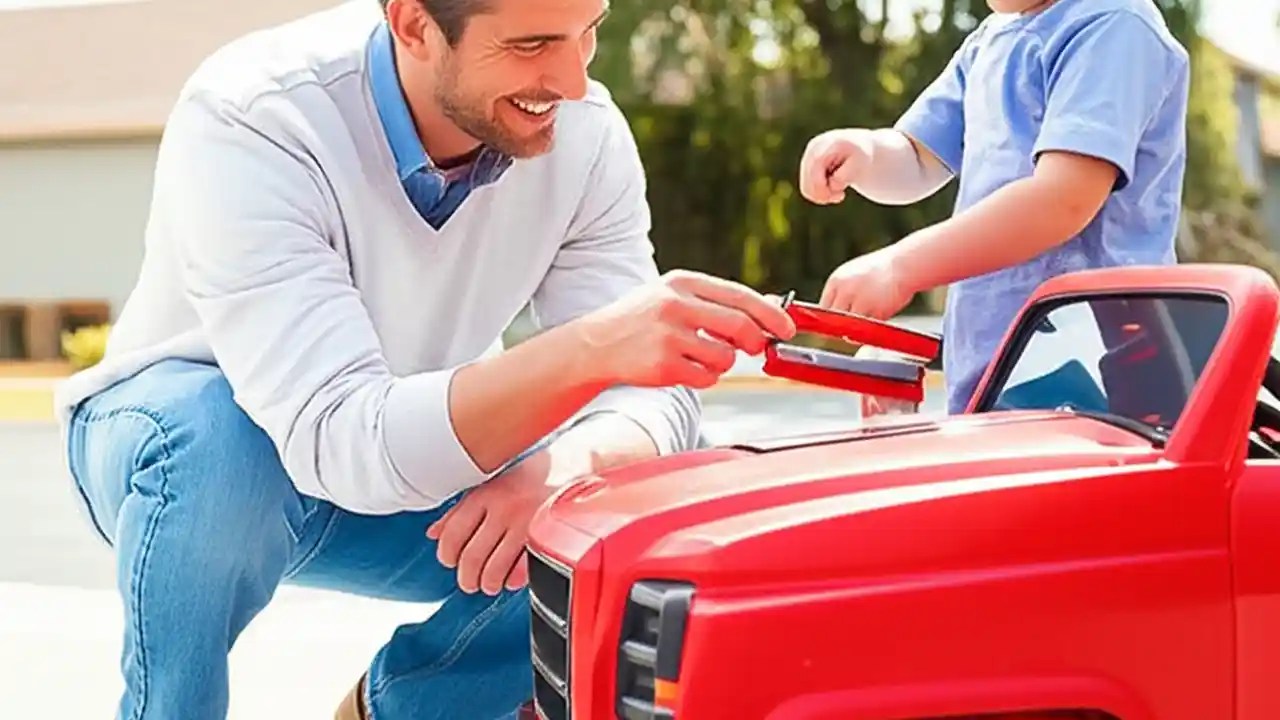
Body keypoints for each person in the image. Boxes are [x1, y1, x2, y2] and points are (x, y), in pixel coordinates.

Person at [54, 0, 796, 718]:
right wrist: (595, 345)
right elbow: (339, 438)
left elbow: (647, 400)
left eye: (588, 32)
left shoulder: (586, 134)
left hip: (404, 451)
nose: (573, 81)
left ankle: (400, 710)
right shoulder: (256, 114)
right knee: (218, 440)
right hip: (195, 452)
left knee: (643, 503)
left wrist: (565, 471)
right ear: (413, 23)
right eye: (532, 44)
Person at [798, 0, 1190, 414]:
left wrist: (899, 267)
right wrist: (868, 152)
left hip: (1099, 372)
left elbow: (1063, 199)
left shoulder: (1114, 25)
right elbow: (917, 159)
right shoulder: (990, 40)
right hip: (996, 367)